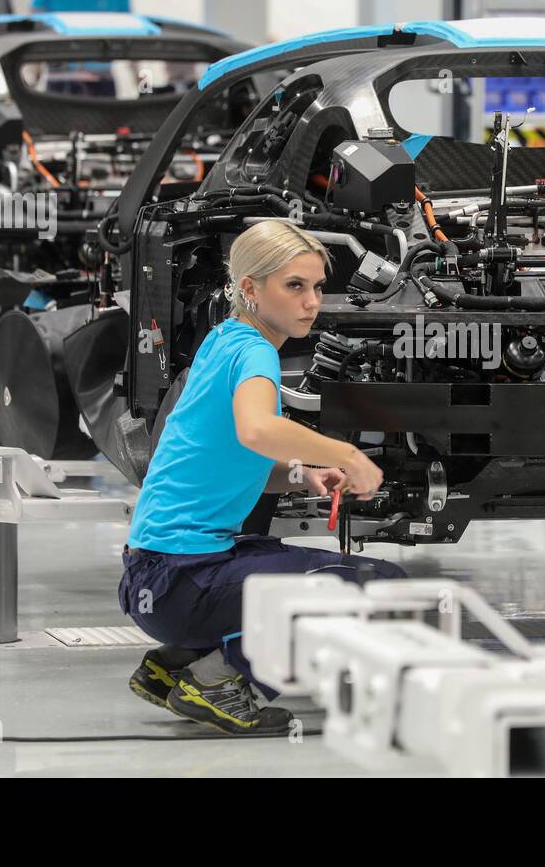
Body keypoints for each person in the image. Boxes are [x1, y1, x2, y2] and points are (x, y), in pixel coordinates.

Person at [118, 220, 405, 736]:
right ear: (249, 288)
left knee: (272, 557)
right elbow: (258, 430)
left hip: (152, 576)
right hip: (182, 580)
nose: (312, 301)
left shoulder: (223, 340)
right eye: (294, 286)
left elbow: (234, 456)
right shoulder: (255, 352)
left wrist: (303, 474)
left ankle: (176, 664)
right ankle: (216, 682)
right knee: (377, 584)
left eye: (317, 287)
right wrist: (350, 455)